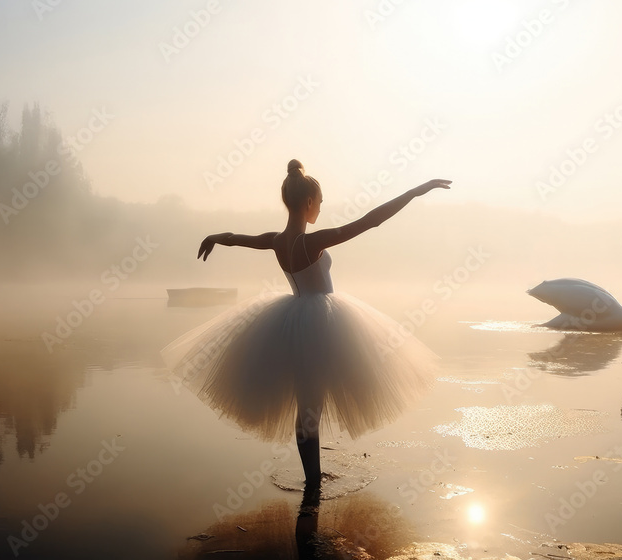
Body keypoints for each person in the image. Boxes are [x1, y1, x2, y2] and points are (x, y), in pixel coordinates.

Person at [162, 159, 450, 488]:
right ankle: (313, 482)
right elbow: (369, 222)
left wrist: (215, 236)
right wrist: (414, 192)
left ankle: (311, 478)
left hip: (294, 319)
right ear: (309, 202)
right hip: (320, 325)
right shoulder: (309, 242)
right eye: (321, 202)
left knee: (307, 406)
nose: (321, 208)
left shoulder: (276, 240)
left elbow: (237, 237)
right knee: (312, 409)